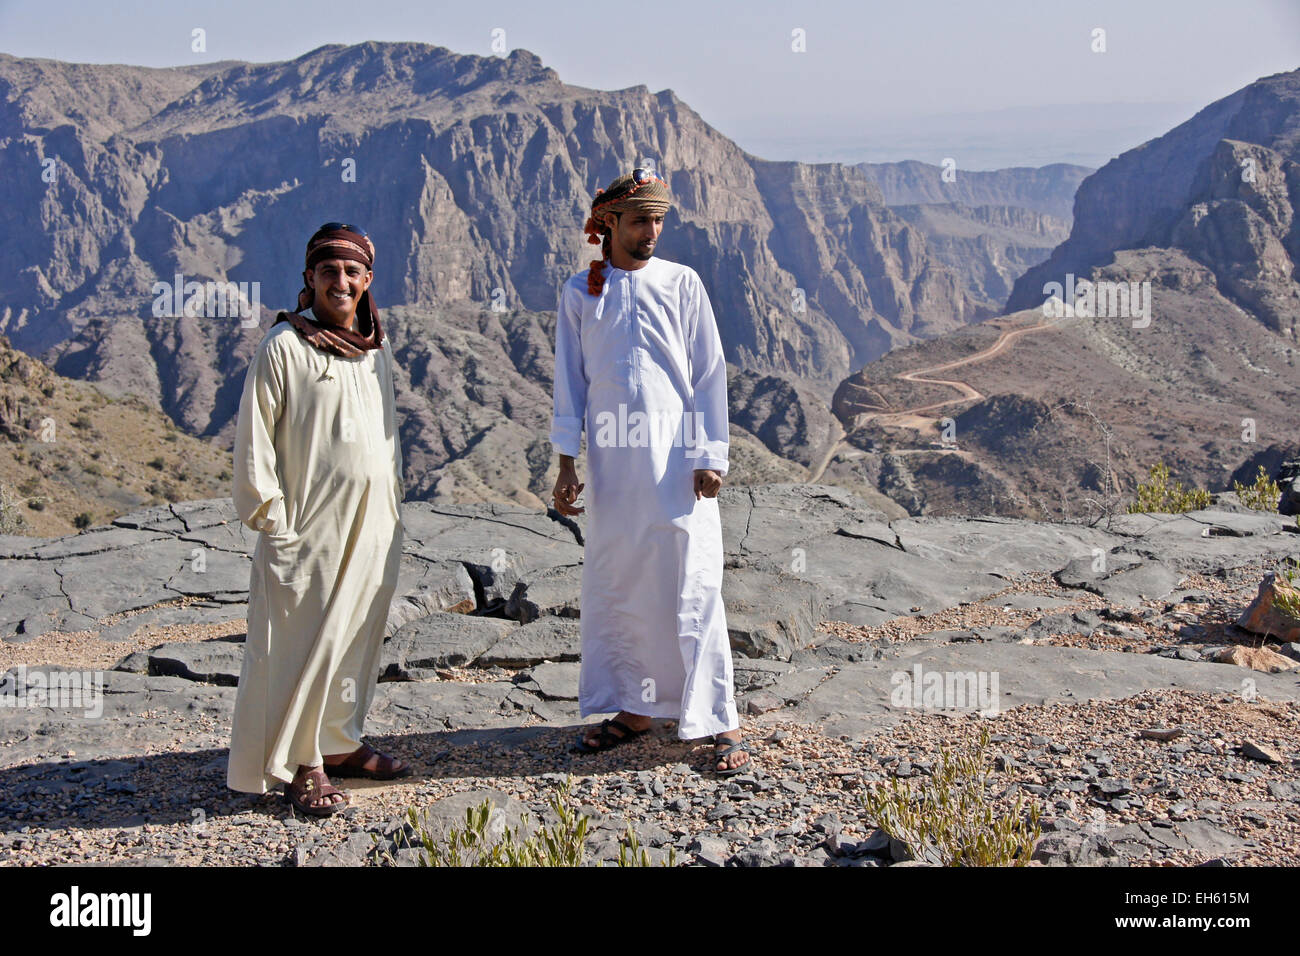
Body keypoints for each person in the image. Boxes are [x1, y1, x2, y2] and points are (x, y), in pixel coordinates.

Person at [550, 169, 752, 775]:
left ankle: (718, 717)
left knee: (693, 581)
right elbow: (569, 383)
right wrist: (565, 462)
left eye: (659, 221)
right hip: (614, 471)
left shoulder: (682, 284)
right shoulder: (580, 293)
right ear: (608, 224)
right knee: (626, 584)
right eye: (640, 221)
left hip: (676, 466)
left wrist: (711, 453)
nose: (652, 233)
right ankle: (637, 709)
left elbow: (709, 371)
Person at [228, 222, 410, 816]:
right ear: (309, 279)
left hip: (371, 524)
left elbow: (385, 440)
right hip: (307, 528)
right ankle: (301, 762)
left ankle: (339, 743)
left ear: (366, 281)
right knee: (300, 644)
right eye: (328, 271)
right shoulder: (283, 347)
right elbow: (254, 438)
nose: (340, 281)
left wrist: (391, 503)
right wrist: (272, 519)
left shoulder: (374, 350)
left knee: (355, 636)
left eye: (351, 272)